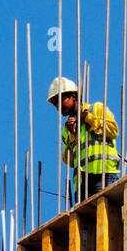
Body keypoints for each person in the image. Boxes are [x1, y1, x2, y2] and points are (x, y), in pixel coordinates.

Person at [47, 76, 120, 207]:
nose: (58, 107)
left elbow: (113, 130)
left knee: (106, 218)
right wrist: (73, 136)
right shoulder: (67, 129)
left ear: (73, 96)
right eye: (55, 104)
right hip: (82, 183)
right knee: (88, 226)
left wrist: (88, 118)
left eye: (60, 101)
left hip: (103, 174)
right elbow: (69, 161)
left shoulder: (96, 109)